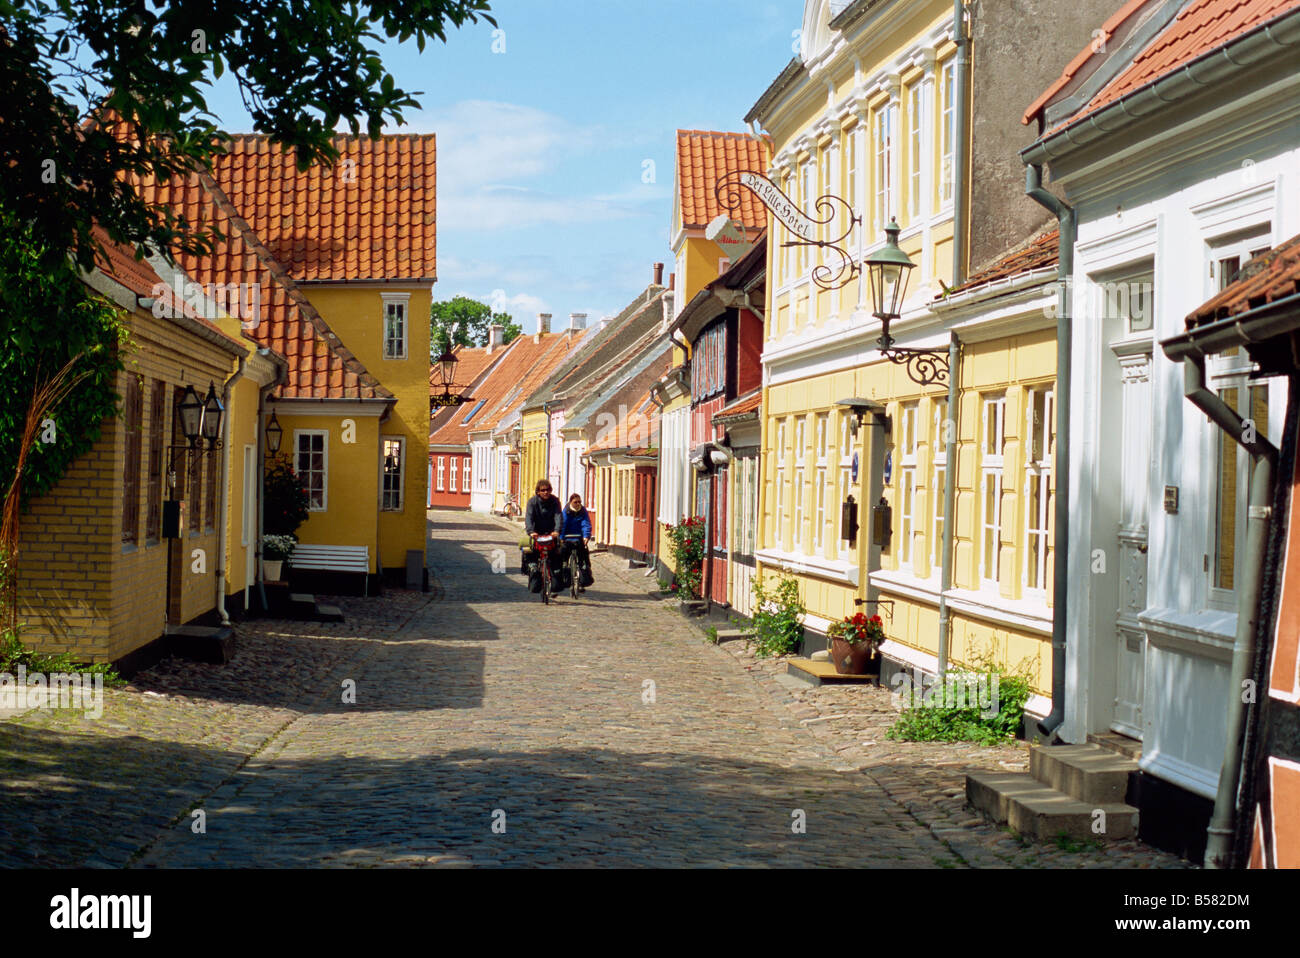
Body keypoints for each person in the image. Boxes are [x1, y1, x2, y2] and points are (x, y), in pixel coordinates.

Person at [523, 479, 563, 593]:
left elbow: (558, 516)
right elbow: (529, 517)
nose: (546, 492)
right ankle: (534, 574)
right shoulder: (532, 502)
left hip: (551, 532)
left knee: (556, 555)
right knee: (531, 554)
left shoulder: (555, 501)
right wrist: (531, 531)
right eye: (543, 490)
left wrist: (556, 531)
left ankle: (555, 582)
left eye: (548, 490)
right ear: (538, 492)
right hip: (537, 532)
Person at [559, 493, 595, 590]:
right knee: (562, 556)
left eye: (579, 502)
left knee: (584, 558)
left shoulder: (583, 511)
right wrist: (561, 537)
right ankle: (564, 574)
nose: (578, 504)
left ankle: (582, 580)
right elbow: (563, 525)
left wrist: (586, 536)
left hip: (578, 537)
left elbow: (586, 523)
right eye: (575, 502)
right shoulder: (566, 511)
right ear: (570, 502)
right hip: (567, 538)